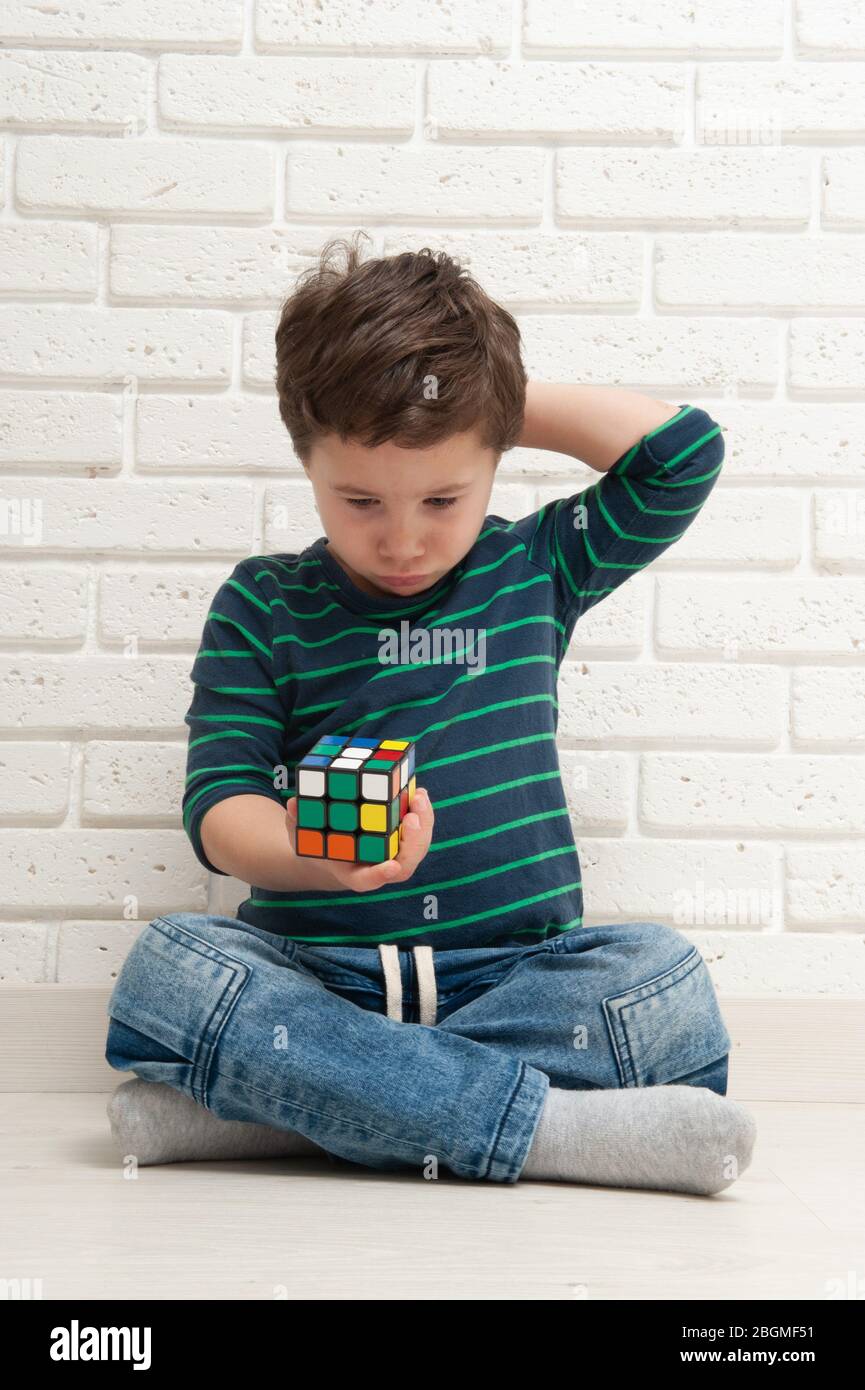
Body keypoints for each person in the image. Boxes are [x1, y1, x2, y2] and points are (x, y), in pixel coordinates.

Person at [105, 233, 756, 1195]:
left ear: (491, 463)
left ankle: (296, 1113)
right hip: (319, 980)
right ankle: (552, 1133)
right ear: (307, 461)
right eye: (360, 498)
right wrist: (313, 858)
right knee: (170, 971)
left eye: (444, 495)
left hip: (517, 983)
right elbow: (219, 812)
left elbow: (680, 455)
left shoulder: (533, 569)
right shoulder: (265, 603)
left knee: (666, 985)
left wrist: (481, 404)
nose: (402, 539)